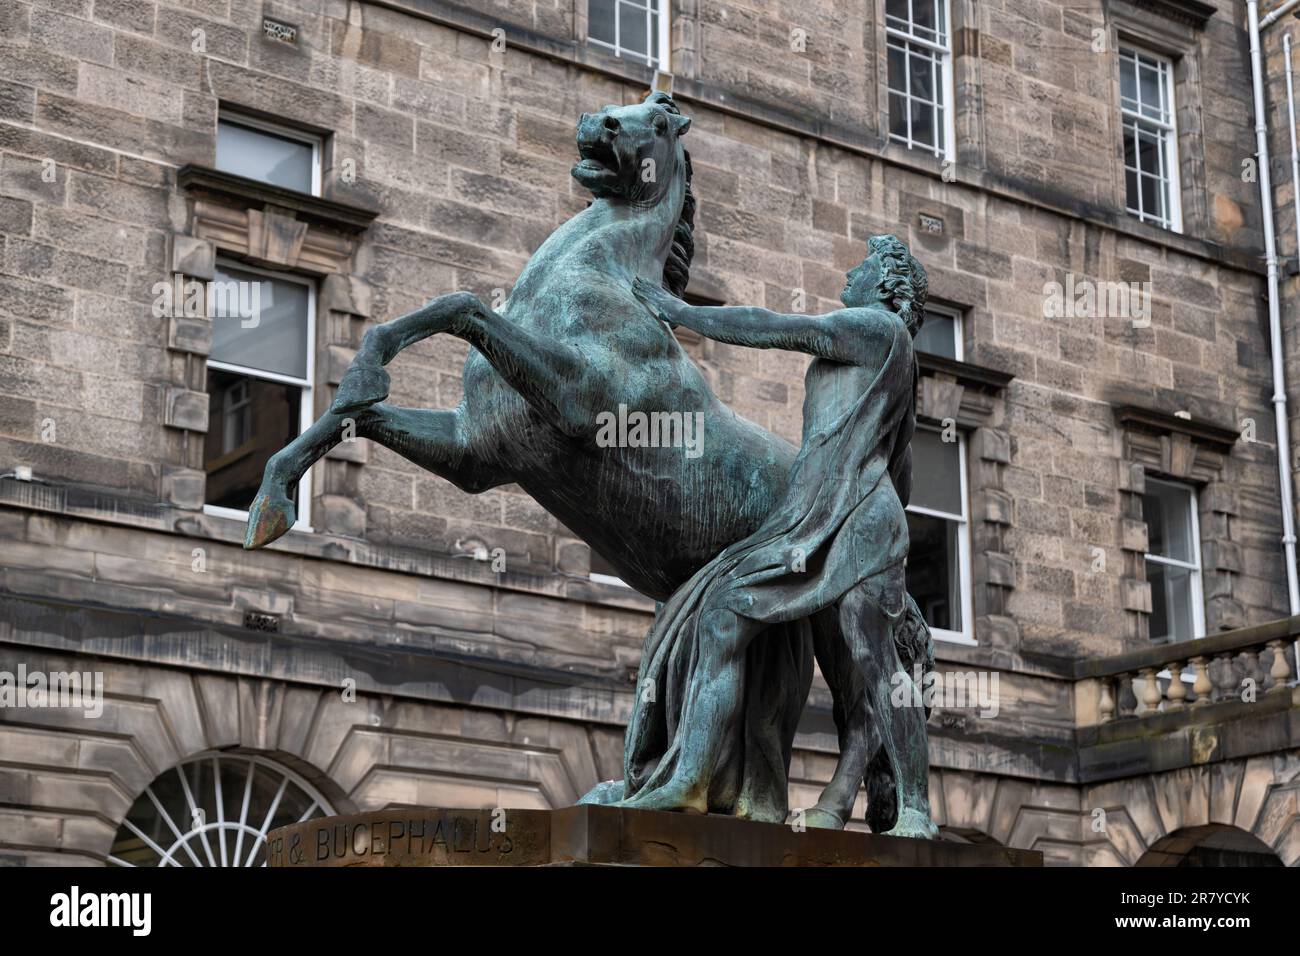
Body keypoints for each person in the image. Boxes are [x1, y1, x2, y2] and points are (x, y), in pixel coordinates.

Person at [618, 234, 937, 836]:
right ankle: (689, 778)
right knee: (721, 612)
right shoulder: (887, 356)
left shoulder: (879, 329)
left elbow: (777, 327)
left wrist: (684, 315)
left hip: (857, 522)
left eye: (863, 263)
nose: (851, 269)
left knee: (873, 660)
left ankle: (915, 810)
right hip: (815, 520)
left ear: (887, 286)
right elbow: (904, 468)